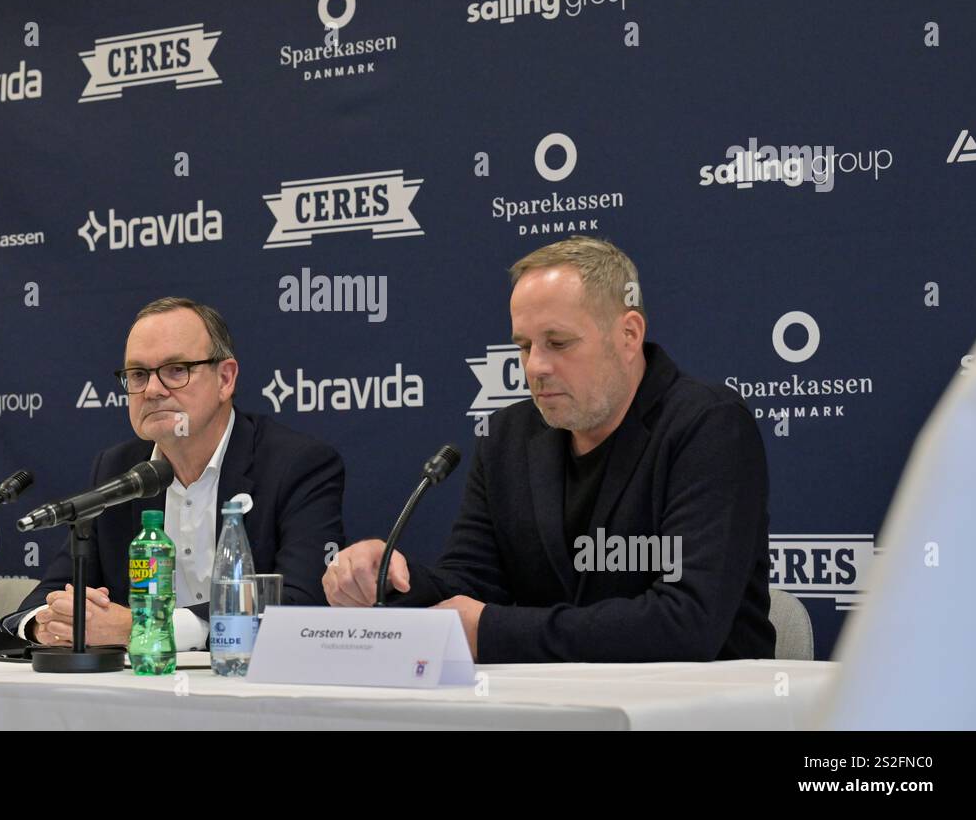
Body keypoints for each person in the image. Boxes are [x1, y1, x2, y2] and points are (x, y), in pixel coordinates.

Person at [324, 237, 775, 663]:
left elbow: (686, 622)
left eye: (558, 343)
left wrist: (493, 631)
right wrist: (384, 577)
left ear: (629, 334)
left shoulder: (708, 426)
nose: (535, 366)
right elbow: (469, 584)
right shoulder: (509, 436)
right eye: (523, 346)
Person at [6, 297, 346, 649]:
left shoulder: (296, 464)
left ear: (225, 379)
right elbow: (48, 596)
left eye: (176, 370)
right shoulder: (118, 470)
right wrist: (47, 625)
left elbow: (300, 603)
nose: (152, 390)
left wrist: (143, 628)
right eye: (138, 375)